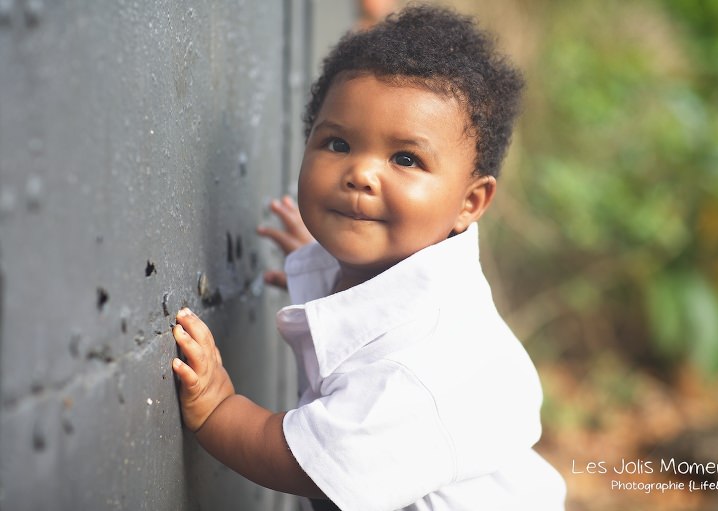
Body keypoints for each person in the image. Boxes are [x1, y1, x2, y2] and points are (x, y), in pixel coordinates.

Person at [171, 5, 566, 510]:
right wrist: (320, 258)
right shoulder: (383, 271)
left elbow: (300, 461)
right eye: (337, 143)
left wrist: (217, 407)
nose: (360, 173)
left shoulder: (420, 367)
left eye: (405, 158)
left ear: (470, 202)